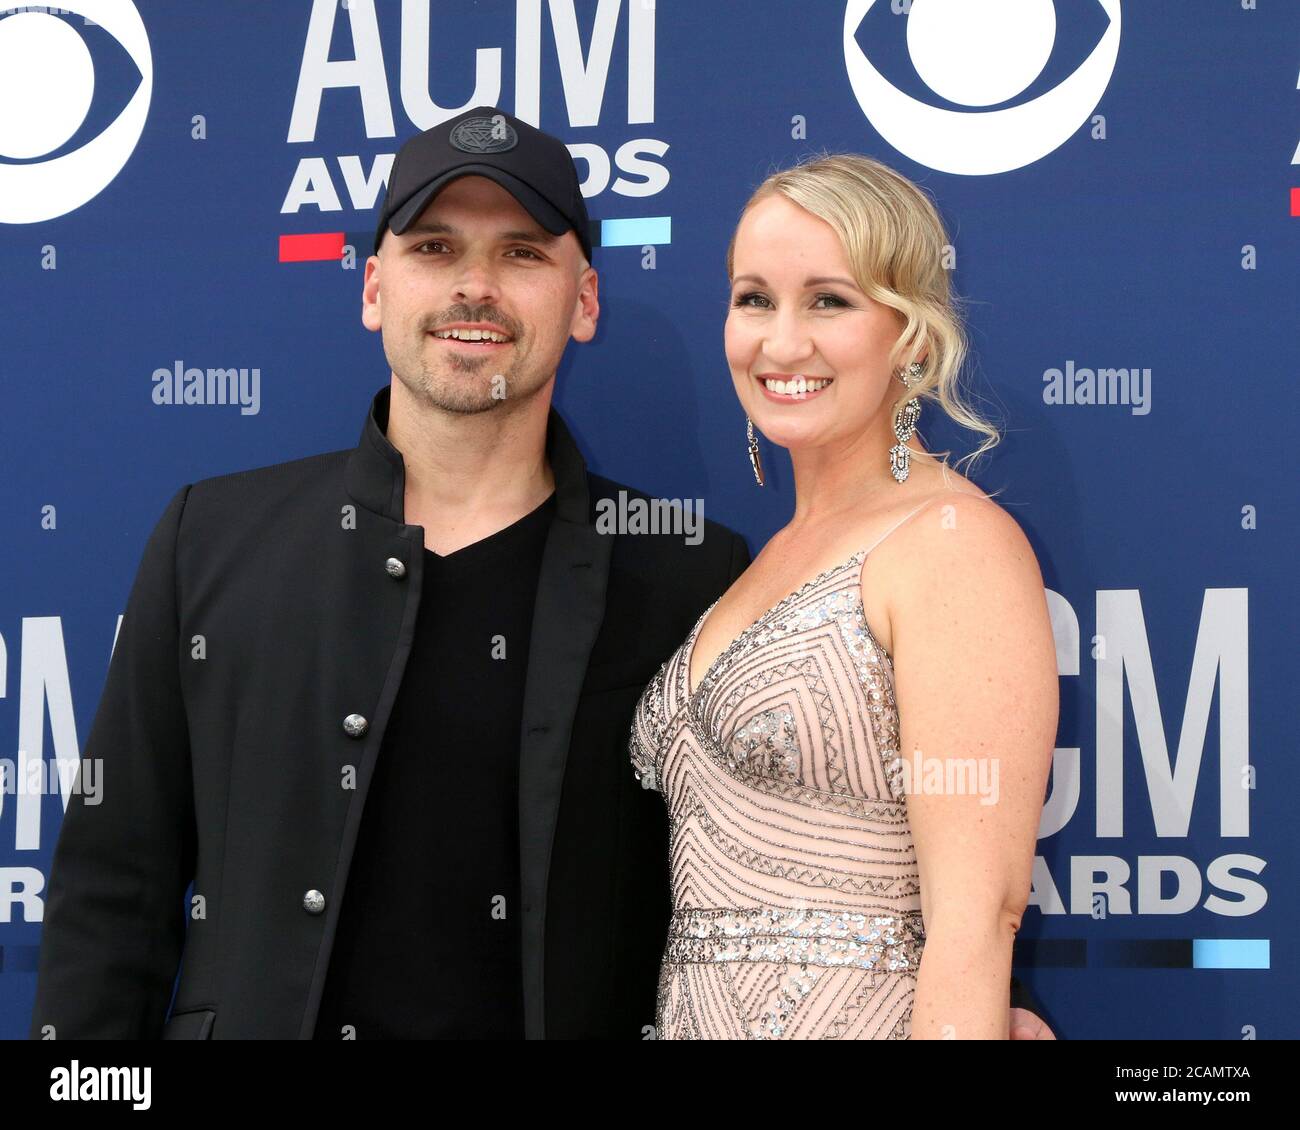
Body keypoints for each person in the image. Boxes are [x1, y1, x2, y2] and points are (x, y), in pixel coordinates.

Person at [28, 108, 1052, 1039]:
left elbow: (907, 877)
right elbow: (112, 888)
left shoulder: (685, 571)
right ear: (375, 284)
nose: (475, 285)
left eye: (522, 253)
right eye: (435, 249)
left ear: (585, 299)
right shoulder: (215, 538)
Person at [630, 153, 1059, 1039]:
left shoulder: (953, 546)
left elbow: (977, 924)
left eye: (829, 300)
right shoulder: (761, 562)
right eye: (754, 298)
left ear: (908, 331)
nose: (781, 343)